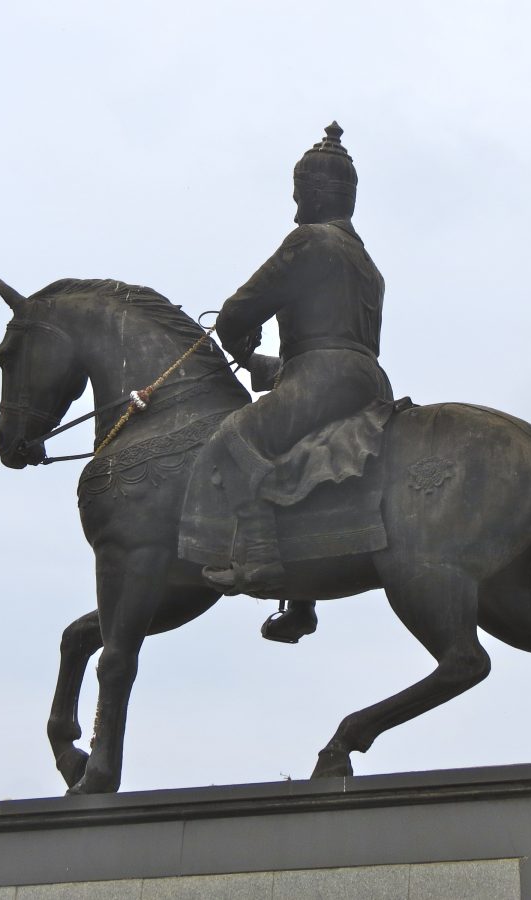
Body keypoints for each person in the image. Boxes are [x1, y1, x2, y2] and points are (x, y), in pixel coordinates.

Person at [178, 122, 393, 643]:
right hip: (364, 378)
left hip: (325, 374)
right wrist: (265, 365)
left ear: (315, 193)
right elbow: (331, 342)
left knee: (235, 437)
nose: (296, 204)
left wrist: (234, 337)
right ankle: (301, 606)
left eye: (299, 193)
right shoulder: (365, 261)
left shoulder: (309, 242)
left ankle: (261, 557)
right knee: (305, 455)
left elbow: (241, 307)